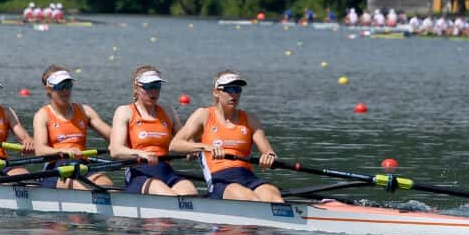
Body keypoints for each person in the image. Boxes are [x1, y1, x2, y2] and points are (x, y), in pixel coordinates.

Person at [169, 71, 283, 202]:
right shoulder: (204, 115)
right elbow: (175, 144)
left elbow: (269, 152)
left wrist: (269, 157)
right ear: (216, 92)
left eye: (237, 89)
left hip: (248, 176)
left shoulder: (250, 119)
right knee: (248, 198)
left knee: (273, 195)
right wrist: (206, 147)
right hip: (220, 179)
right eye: (229, 89)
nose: (234, 94)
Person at [109, 66, 198, 196]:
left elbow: (183, 142)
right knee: (168, 195)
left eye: (157, 86)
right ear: (136, 88)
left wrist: (191, 150)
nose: (154, 91)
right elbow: (115, 150)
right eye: (148, 87)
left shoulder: (168, 111)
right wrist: (140, 154)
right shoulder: (125, 112)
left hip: (166, 172)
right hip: (139, 174)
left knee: (190, 192)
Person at [31, 66, 114, 189]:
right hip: (56, 169)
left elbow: (113, 136)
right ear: (48, 89)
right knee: (82, 186)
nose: (65, 91)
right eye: (60, 86)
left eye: (68, 85)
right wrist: (64, 151)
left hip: (82, 165)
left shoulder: (85, 111)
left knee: (107, 185)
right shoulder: (42, 115)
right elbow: (40, 150)